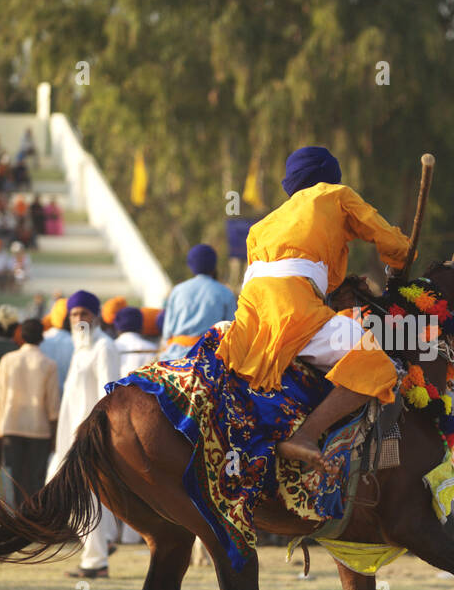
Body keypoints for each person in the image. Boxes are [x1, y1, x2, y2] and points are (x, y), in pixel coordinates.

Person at [215, 145, 412, 473]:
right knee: (377, 363)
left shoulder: (263, 224)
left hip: (252, 314)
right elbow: (387, 239)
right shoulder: (336, 194)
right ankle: (306, 436)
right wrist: (403, 256)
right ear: (331, 177)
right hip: (294, 306)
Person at [52, 290, 122, 579]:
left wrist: (97, 436)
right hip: (70, 436)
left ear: (95, 317)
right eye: (74, 314)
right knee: (70, 496)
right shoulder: (81, 349)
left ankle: (96, 561)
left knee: (84, 499)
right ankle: (102, 542)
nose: (79, 319)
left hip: (89, 438)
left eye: (84, 313)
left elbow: (110, 394)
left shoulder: (104, 347)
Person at [0, 318, 59, 503]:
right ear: (41, 338)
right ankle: (33, 523)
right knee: (35, 481)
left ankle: (16, 522)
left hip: (11, 426)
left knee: (14, 480)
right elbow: (53, 405)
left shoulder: (7, 360)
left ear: (21, 336)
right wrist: (54, 434)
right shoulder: (48, 364)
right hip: (39, 429)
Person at [159, 244, 237, 360]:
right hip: (210, 361)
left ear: (191, 265)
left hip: (174, 359)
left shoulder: (177, 290)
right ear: (214, 265)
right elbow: (232, 332)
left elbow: (167, 333)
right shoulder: (225, 293)